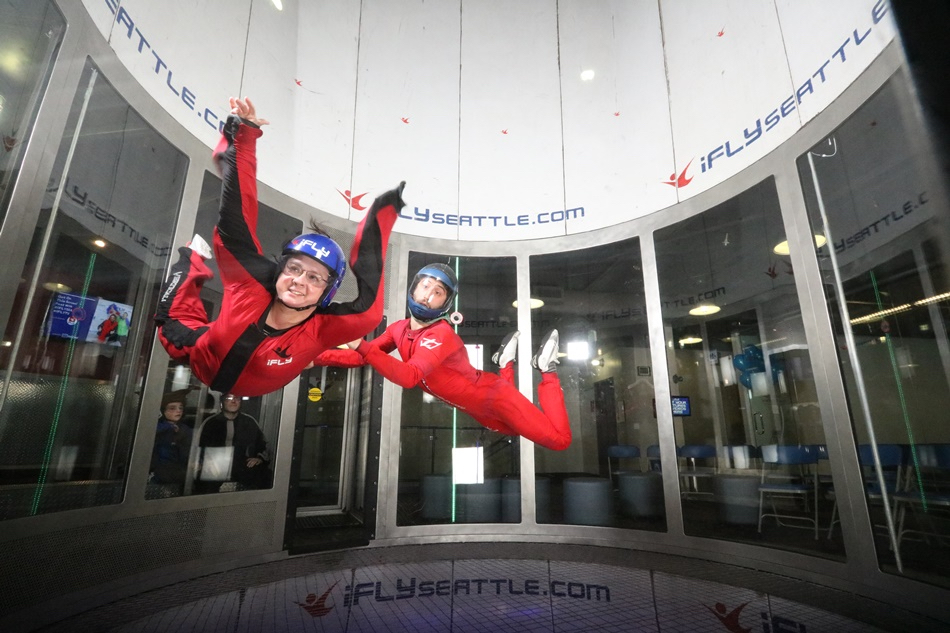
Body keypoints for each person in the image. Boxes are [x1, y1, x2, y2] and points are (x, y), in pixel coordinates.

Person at [154, 97, 403, 397]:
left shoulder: (325, 329)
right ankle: (192, 259)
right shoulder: (253, 284)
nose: (299, 281)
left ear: (328, 292)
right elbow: (236, 218)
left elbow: (370, 310)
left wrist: (381, 218)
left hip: (251, 372)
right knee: (169, 320)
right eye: (294, 269)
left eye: (314, 278)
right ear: (280, 269)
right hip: (198, 353)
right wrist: (243, 138)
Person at [314, 264, 572, 451]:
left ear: (446, 303)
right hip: (475, 407)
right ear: (414, 288)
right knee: (515, 430)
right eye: (425, 286)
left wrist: (360, 344)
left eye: (438, 293)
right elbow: (362, 358)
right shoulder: (397, 329)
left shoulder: (440, 334)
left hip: (495, 397)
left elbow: (409, 376)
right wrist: (315, 358)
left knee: (559, 441)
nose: (428, 296)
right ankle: (505, 364)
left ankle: (546, 368)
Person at [195, 394, 272, 492]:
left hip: (240, 464)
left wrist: (259, 458)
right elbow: (198, 447)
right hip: (214, 464)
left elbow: (262, 444)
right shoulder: (210, 422)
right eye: (229, 398)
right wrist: (204, 462)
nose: (233, 401)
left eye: (237, 398)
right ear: (222, 402)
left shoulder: (249, 421)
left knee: (265, 475)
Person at [149, 390, 193, 491]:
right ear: (162, 410)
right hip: (158, 475)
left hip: (179, 475)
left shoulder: (185, 429)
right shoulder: (156, 428)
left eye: (180, 408)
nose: (178, 411)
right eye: (172, 408)